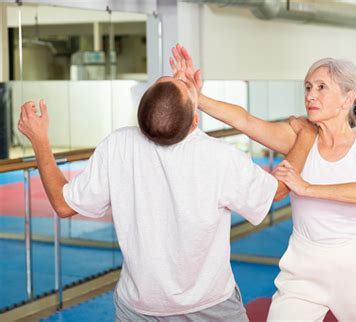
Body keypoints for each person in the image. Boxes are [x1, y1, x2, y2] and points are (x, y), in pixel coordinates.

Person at [17, 67, 316, 321]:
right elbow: (276, 190)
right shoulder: (219, 157)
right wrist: (306, 136)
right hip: (209, 307)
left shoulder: (118, 146)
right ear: (195, 120)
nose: (168, 75)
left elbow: (63, 203)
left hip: (138, 308)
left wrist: (40, 139)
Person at [170, 44, 356, 321]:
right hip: (304, 264)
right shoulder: (298, 138)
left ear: (349, 98)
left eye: (321, 87)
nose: (310, 95)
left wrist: (307, 188)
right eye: (308, 87)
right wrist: (196, 96)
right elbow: (245, 120)